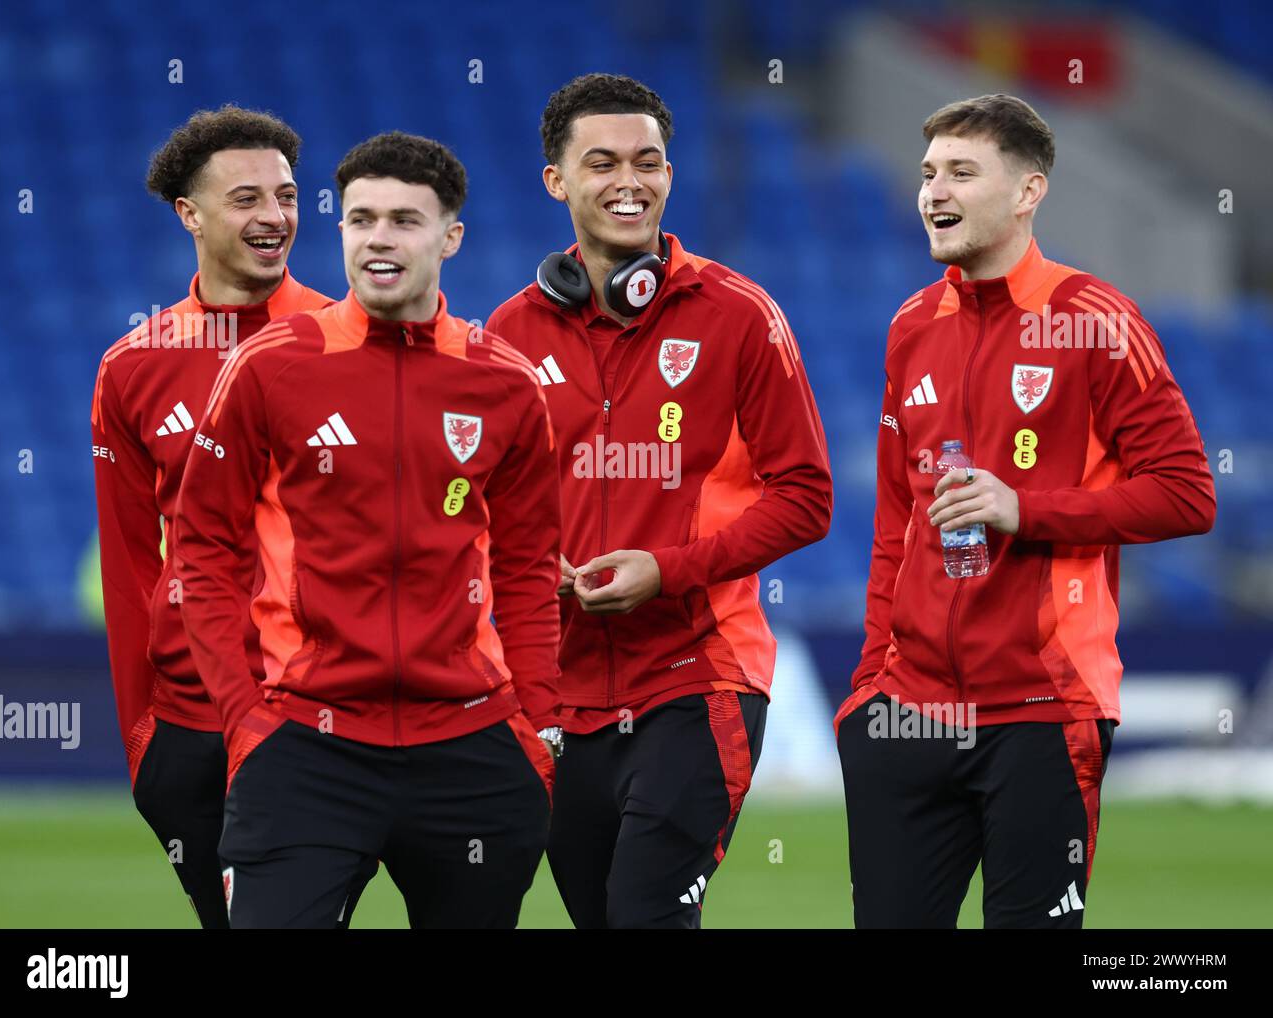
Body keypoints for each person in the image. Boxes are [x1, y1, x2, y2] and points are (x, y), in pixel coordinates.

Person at [836, 93, 1216, 928]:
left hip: (1043, 711)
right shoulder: (911, 326)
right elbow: (897, 521)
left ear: (1027, 192)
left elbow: (1188, 493)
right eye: (928, 172)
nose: (934, 191)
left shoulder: (1096, 321)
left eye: (961, 173)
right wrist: (869, 685)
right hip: (907, 715)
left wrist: (1026, 510)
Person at [175, 132, 561, 929]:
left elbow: (529, 569)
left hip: (471, 747)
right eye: (361, 220)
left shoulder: (506, 382)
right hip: (304, 746)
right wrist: (243, 715)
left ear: (450, 237)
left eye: (404, 221)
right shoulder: (270, 366)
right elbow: (202, 549)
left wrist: (539, 722)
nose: (379, 239)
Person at [487, 73, 833, 928]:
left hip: (699, 678)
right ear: (556, 180)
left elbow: (806, 497)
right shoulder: (508, 334)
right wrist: (526, 565)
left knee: (647, 915)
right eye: (601, 163)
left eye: (647, 162)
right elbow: (476, 506)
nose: (628, 181)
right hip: (559, 695)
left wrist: (668, 571)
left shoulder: (740, 316)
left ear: (670, 175)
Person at [90, 105, 332, 928]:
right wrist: (142, 739)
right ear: (189, 214)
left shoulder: (351, 341)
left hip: (322, 713)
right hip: (190, 729)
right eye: (246, 198)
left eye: (287, 196)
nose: (275, 216)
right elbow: (130, 567)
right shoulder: (133, 367)